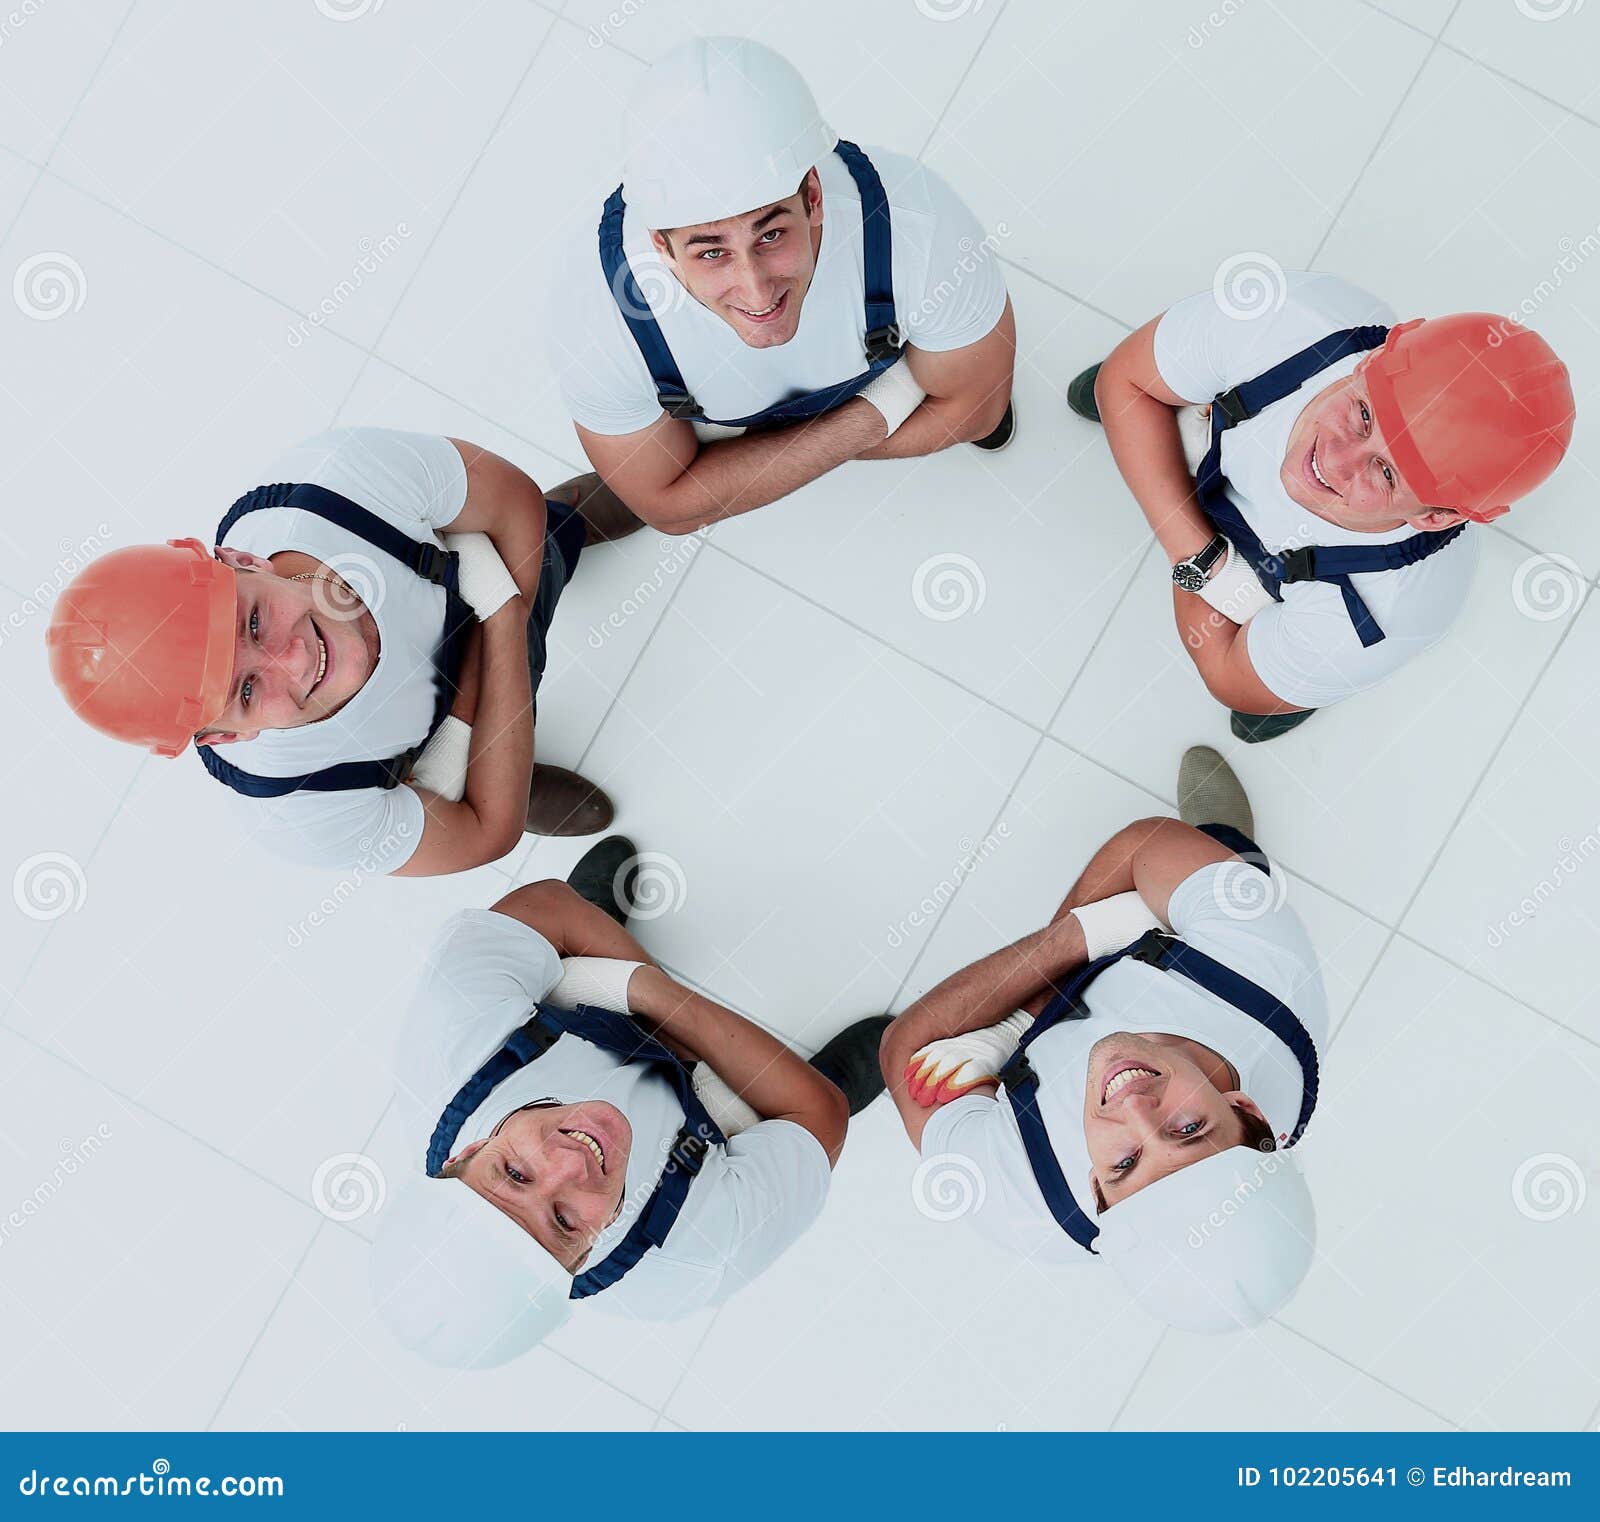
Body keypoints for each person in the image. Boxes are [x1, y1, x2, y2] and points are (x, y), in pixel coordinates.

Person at [372, 837, 890, 1367]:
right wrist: (793, 1106)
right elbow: (816, 1114)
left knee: (561, 926)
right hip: (708, 1121)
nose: (568, 1165)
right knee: (816, 1116)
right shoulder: (692, 1257)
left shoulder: (447, 1048)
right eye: (565, 1222)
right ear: (585, 1258)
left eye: (514, 1174)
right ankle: (791, 1116)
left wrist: (653, 997)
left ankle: (592, 926)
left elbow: (545, 906)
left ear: (466, 1153)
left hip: (608, 1013)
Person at [47, 428, 638, 876]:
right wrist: (504, 619)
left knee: (547, 538)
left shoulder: (336, 485)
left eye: (254, 622)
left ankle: (574, 524)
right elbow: (486, 838)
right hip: (487, 610)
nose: (296, 661)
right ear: (223, 737)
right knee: (477, 798)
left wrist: (513, 602)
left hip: (476, 598)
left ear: (241, 560)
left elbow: (515, 506)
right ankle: (503, 774)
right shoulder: (292, 809)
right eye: (246, 692)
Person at [880, 750, 1327, 1330]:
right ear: (1245, 1109)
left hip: (1132, 936)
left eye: (1124, 1164)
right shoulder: (1271, 981)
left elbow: (900, 1048)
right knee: (1218, 868)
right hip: (1182, 944)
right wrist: (1076, 944)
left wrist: (1029, 1014)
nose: (1133, 1107)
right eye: (1189, 1130)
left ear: (1096, 1191)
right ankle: (1227, 848)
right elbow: (1146, 844)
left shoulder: (1024, 1202)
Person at [1067, 272, 1574, 741]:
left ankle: (1292, 688)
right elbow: (1124, 382)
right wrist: (1195, 554)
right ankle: (1170, 399)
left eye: (1387, 473)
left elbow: (1226, 676)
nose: (1332, 461)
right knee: (1134, 390)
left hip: (1292, 591)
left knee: (1255, 695)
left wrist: (1163, 477)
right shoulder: (1284, 320)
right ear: (1374, 359)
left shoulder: (1385, 618)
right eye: (1363, 414)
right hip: (1219, 481)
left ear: (1435, 517)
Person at [547, 35, 1017, 536]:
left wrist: (746, 467)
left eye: (771, 234)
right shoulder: (598, 320)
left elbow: (977, 414)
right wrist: (884, 408)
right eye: (711, 252)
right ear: (661, 246)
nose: (756, 292)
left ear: (813, 196)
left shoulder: (919, 227)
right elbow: (667, 510)